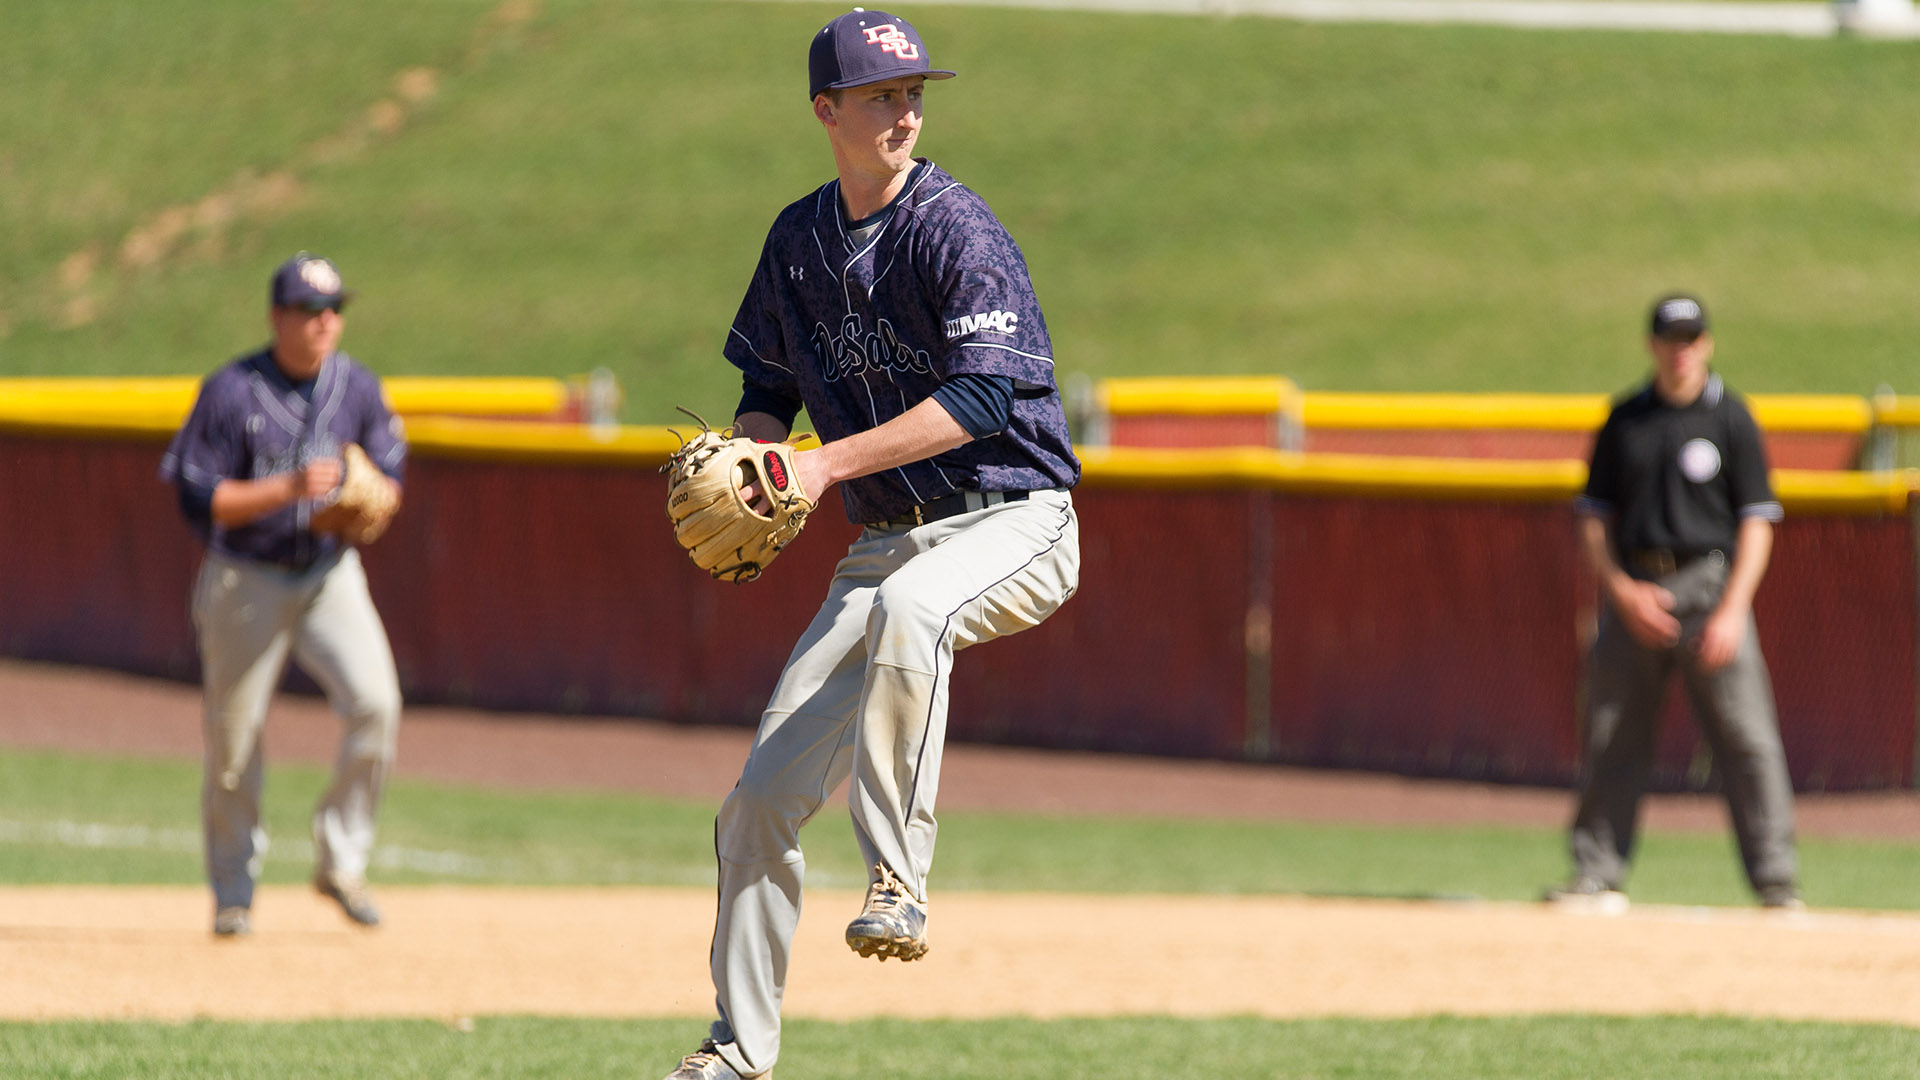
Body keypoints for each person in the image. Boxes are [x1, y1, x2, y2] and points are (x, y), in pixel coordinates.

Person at [661, 10, 1082, 1078]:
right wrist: (761, 463)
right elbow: (766, 392)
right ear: (826, 111)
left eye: (913, 92)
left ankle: (899, 880)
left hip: (1014, 514)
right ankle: (737, 1051)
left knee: (916, 611)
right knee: (757, 802)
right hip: (883, 545)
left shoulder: (955, 227)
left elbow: (987, 395)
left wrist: (821, 463)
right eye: (880, 95)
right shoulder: (798, 241)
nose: (905, 110)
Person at [159, 253, 408, 937]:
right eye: (309, 310)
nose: (325, 321)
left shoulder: (356, 386)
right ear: (278, 317)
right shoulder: (231, 391)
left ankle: (341, 862)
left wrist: (376, 498)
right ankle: (234, 892)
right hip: (246, 576)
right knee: (234, 740)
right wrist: (290, 489)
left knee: (376, 705)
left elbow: (389, 470)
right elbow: (201, 498)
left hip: (327, 573)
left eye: (333, 310)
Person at [1548, 293, 1801, 912]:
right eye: (1670, 338)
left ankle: (1776, 881)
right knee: (1612, 734)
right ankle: (1597, 872)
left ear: (1707, 344)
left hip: (1710, 587)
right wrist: (1620, 590)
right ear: (1652, 345)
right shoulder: (1626, 419)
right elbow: (1593, 517)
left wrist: (1734, 609)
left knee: (1747, 738)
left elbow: (1757, 522)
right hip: (1635, 587)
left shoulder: (1732, 419)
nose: (1680, 350)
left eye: (1691, 338)